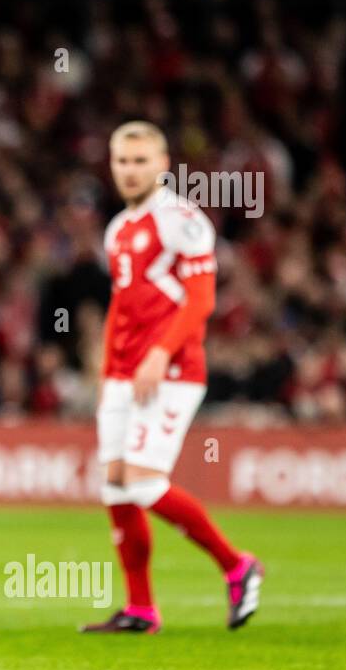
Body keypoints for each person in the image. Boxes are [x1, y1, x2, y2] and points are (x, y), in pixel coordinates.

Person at [81, 121, 263, 635]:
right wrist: (106, 372)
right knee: (117, 487)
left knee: (143, 482)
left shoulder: (183, 220)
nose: (130, 170)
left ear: (163, 165)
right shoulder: (118, 228)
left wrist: (160, 354)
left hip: (172, 371)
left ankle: (236, 565)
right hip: (124, 374)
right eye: (122, 161)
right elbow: (121, 306)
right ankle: (141, 608)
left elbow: (201, 300)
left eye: (140, 161)